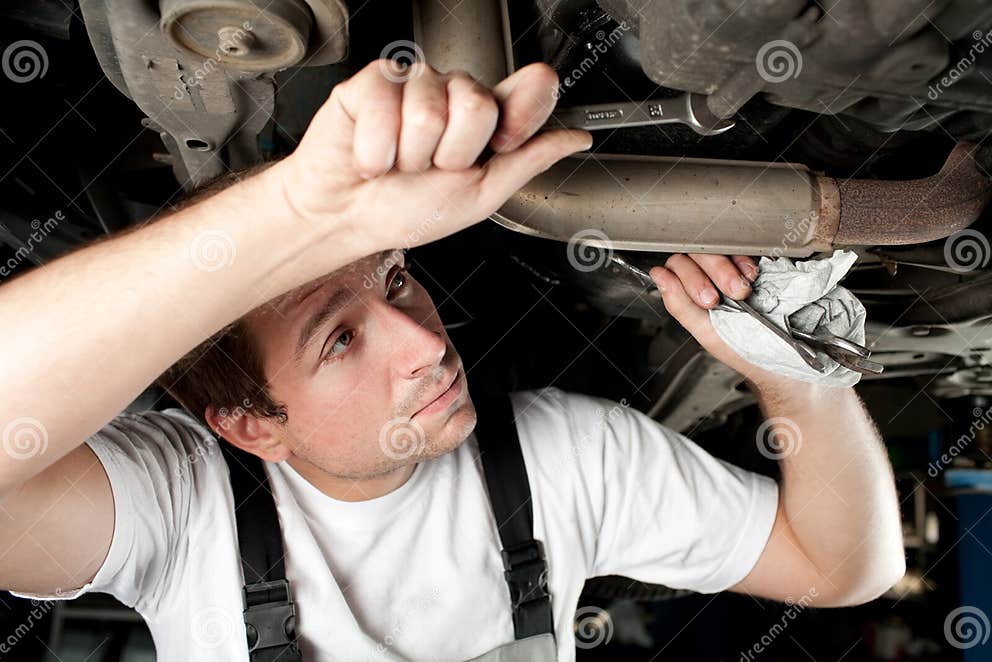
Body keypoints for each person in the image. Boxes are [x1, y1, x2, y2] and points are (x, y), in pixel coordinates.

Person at [0, 59, 905, 661]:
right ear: (251, 425)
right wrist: (304, 214)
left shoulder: (563, 459)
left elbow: (839, 568)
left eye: (394, 279)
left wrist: (797, 378)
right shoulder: (182, 507)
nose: (429, 344)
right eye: (339, 338)